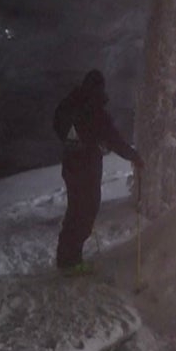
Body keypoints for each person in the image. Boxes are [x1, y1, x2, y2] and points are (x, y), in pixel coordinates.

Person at [53, 69, 143, 272]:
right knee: (85, 213)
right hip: (87, 169)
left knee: (75, 210)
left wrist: (76, 143)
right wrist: (134, 157)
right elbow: (115, 140)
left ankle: (65, 257)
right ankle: (71, 262)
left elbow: (58, 126)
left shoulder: (69, 105)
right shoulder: (95, 112)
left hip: (70, 166)